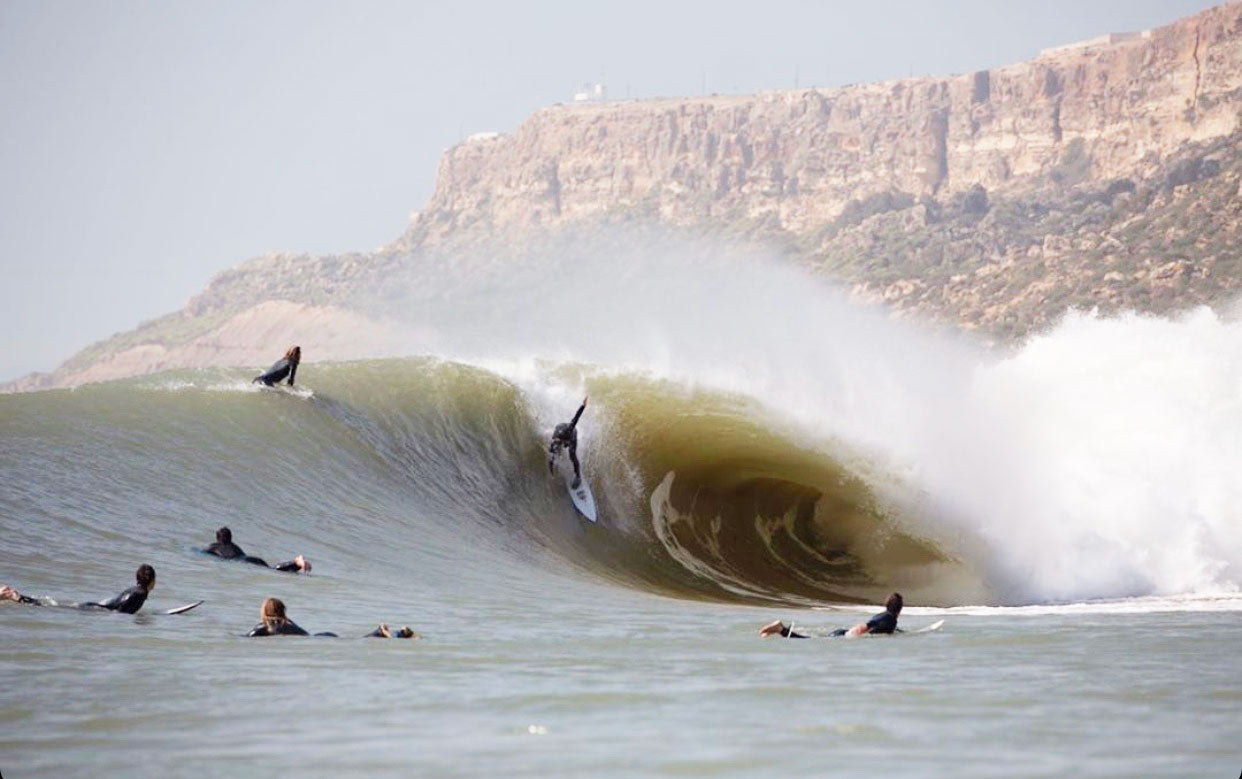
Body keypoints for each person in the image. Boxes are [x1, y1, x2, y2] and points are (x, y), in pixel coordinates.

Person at [1, 564, 157, 615]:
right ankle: (17, 597)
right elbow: (121, 612)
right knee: (51, 607)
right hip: (96, 610)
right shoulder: (140, 594)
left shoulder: (134, 590)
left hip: (95, 606)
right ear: (151, 581)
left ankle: (17, 597)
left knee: (54, 606)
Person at [246, 598, 416, 639]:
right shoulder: (287, 622)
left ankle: (387, 633)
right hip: (320, 636)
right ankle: (392, 633)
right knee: (356, 640)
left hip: (318, 639)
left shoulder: (265, 628)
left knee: (357, 640)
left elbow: (249, 636)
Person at [759, 593, 904, 638]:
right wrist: (850, 636)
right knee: (807, 641)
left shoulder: (889, 619)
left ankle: (781, 630)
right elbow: (865, 626)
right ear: (900, 608)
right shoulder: (887, 617)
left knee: (810, 639)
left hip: (843, 633)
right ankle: (780, 629)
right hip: (842, 635)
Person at [201, 526, 310, 573]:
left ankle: (296, 562)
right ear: (230, 537)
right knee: (273, 569)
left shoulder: (215, 547)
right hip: (252, 559)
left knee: (273, 570)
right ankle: (297, 564)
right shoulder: (235, 546)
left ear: (217, 538)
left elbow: (204, 552)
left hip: (243, 561)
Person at [548, 396, 588, 488]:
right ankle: (560, 445)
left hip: (572, 434)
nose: (556, 442)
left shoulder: (569, 430)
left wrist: (583, 405)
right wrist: (551, 473)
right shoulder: (554, 440)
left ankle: (578, 477)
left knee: (572, 455)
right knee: (554, 451)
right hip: (559, 428)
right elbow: (551, 458)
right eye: (557, 441)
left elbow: (576, 417)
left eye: (558, 441)